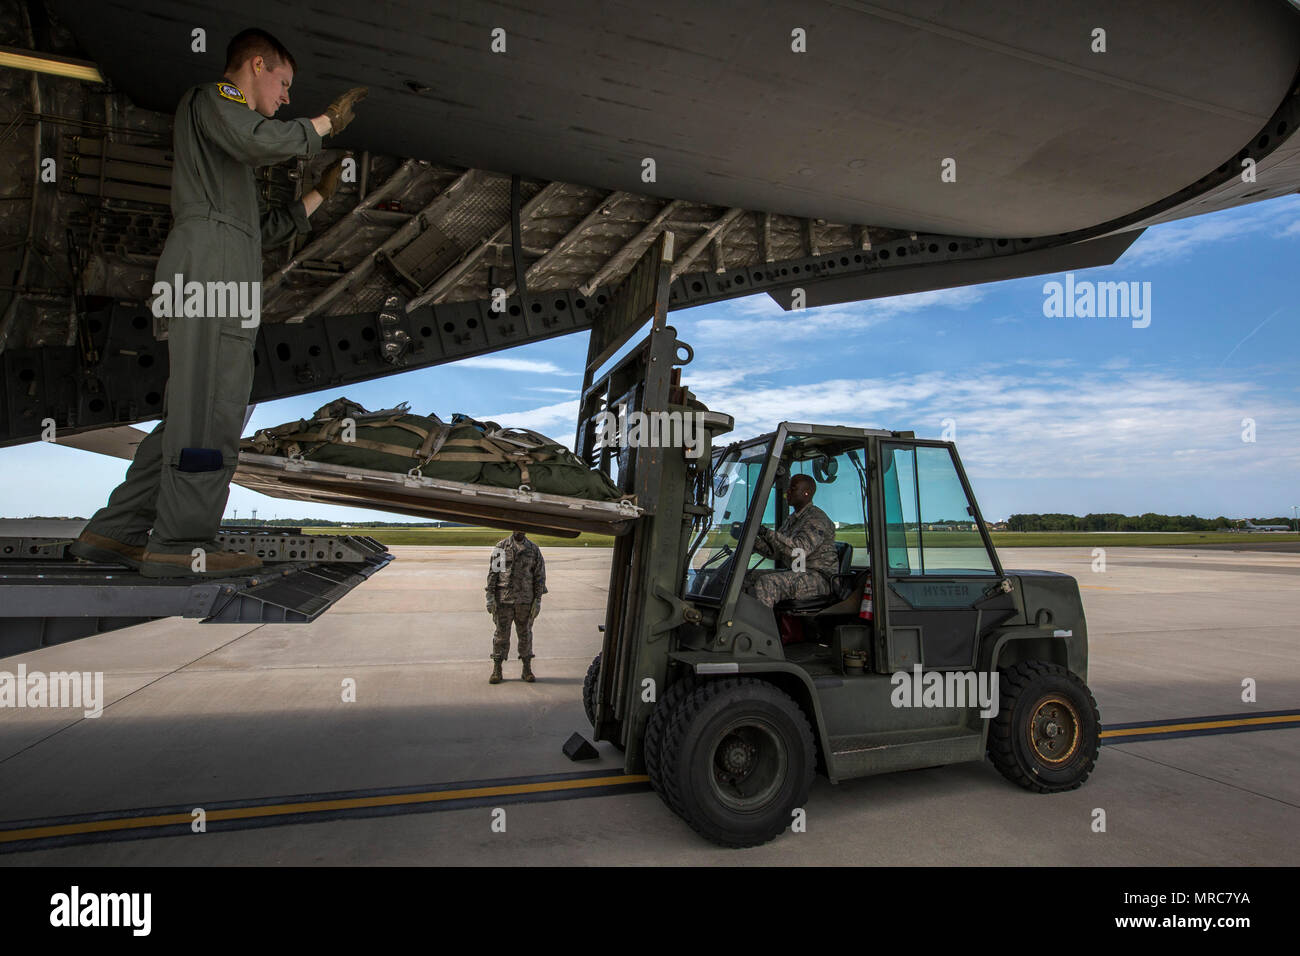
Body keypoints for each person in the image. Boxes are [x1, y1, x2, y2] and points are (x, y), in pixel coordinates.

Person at [70, 28, 367, 578]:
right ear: (256, 65)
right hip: (213, 274)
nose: (284, 99)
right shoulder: (218, 100)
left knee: (189, 410)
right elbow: (262, 140)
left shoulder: (223, 152)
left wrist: (321, 194)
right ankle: (183, 545)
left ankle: (116, 533)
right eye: (283, 83)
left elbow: (261, 227)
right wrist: (323, 125)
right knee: (214, 408)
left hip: (212, 265)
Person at [743, 473, 839, 607]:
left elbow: (798, 550)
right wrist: (753, 541)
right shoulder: (792, 519)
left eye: (793, 489)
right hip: (797, 572)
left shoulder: (816, 519)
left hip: (819, 579)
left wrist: (766, 532)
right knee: (744, 577)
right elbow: (776, 552)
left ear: (807, 493)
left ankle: (761, 625)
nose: (787, 492)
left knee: (768, 583)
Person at [486, 529, 548, 684]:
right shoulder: (501, 547)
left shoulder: (533, 549)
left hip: (525, 601)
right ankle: (497, 669)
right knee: (501, 636)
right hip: (504, 600)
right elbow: (494, 573)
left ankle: (527, 669)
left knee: (525, 635)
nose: (519, 531)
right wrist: (490, 597)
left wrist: (538, 600)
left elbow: (539, 576)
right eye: (516, 527)